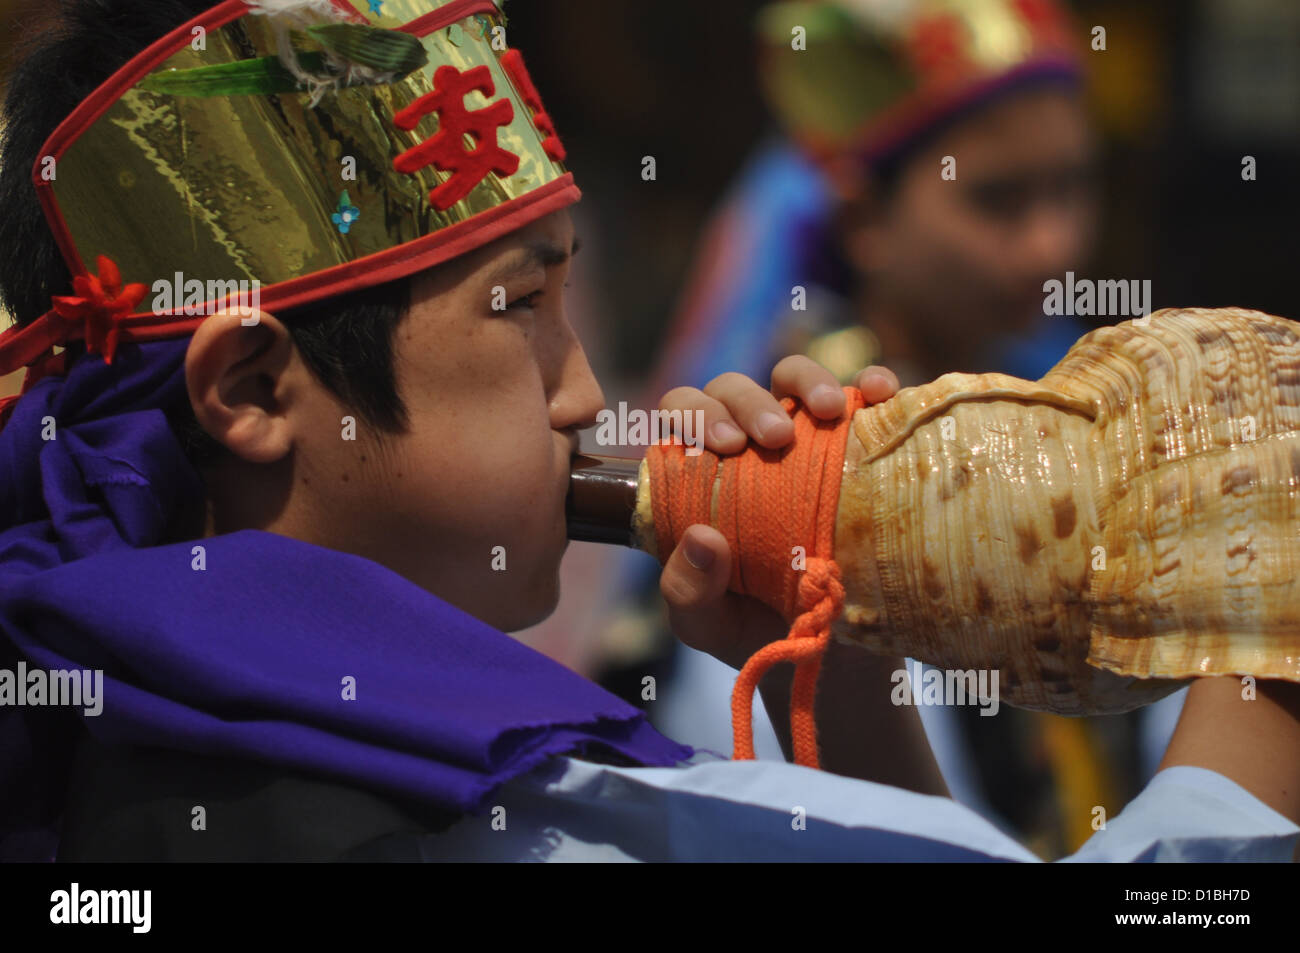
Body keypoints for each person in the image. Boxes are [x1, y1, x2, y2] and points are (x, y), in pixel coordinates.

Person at [0, 0, 1294, 864]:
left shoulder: (198, 710)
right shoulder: (431, 811)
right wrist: (1261, 628)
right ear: (251, 392)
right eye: (520, 309)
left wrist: (834, 668)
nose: (579, 394)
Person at [626, 0, 1152, 855]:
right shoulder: (791, 466)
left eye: (1073, 185)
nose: (1053, 246)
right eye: (999, 199)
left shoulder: (1053, 403)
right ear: (865, 220)